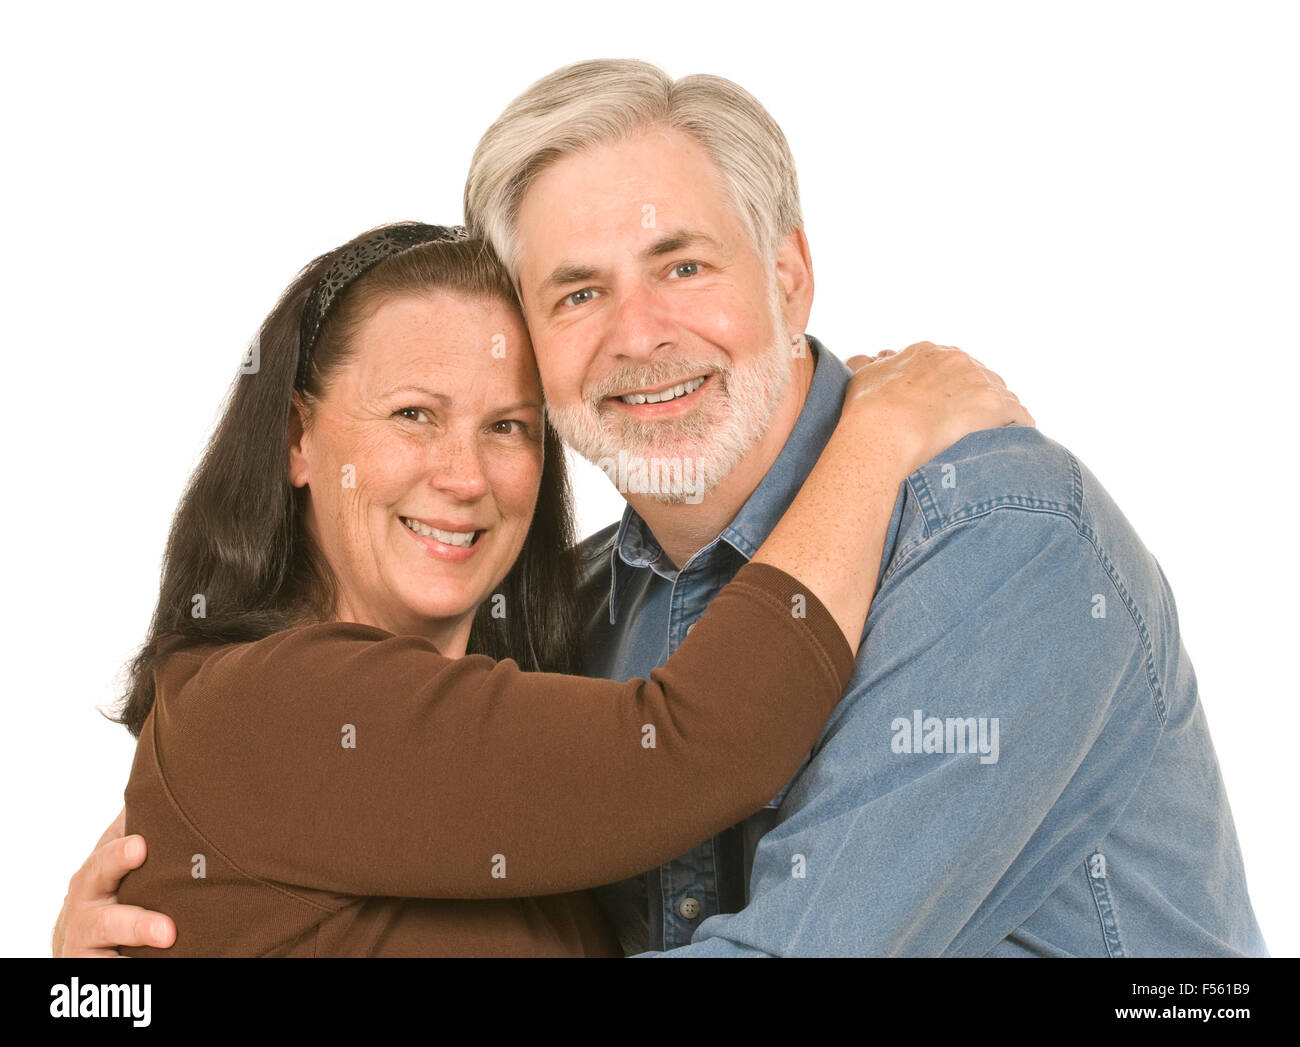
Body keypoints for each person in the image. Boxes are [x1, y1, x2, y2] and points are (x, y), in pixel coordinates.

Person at [62, 57, 1266, 957]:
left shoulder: (999, 542)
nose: (639, 336)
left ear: (787, 274)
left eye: (683, 265)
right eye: (577, 291)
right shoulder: (577, 615)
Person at [53, 221, 1028, 956]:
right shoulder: (270, 703)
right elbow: (698, 747)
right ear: (296, 438)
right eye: (413, 415)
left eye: (509, 427)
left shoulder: (513, 749)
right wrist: (878, 437)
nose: (464, 476)